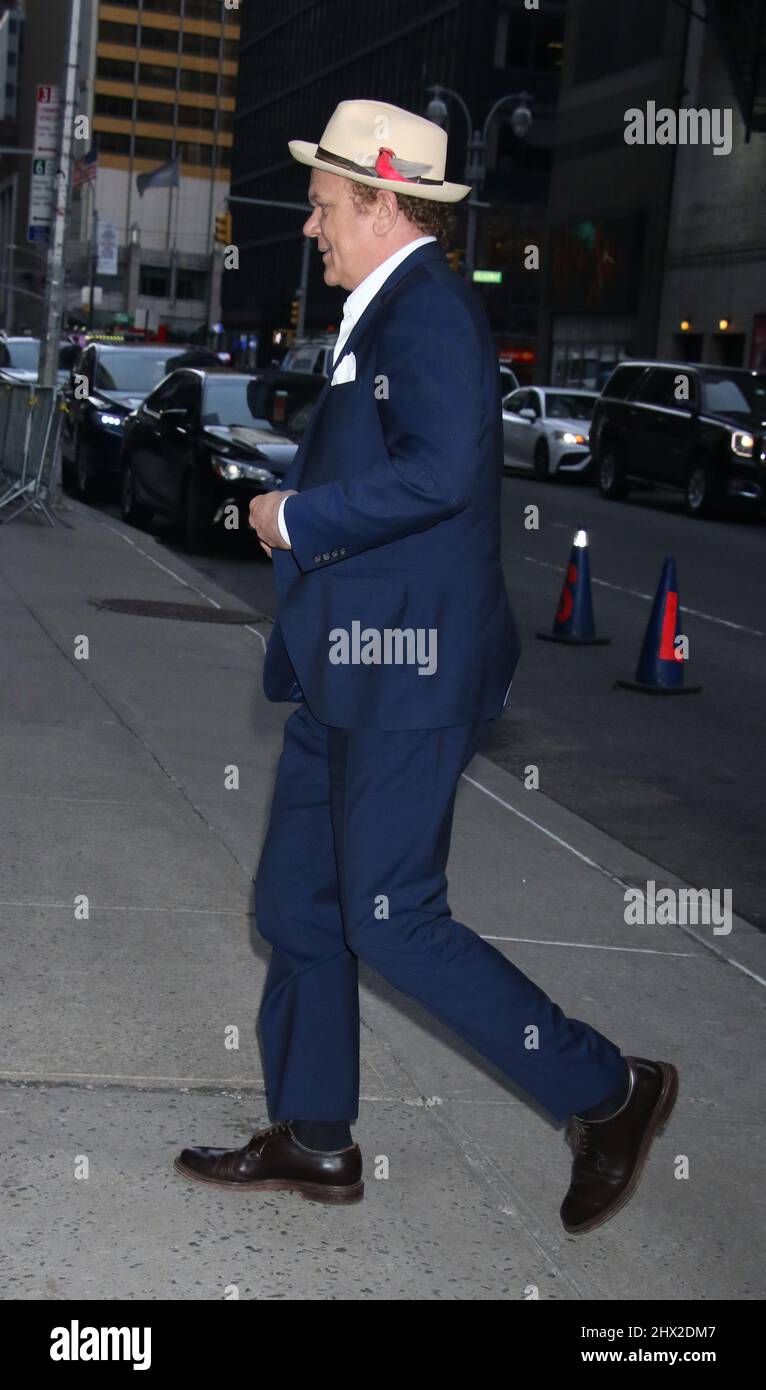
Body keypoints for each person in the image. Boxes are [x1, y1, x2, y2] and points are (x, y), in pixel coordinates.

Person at [174, 100, 678, 1234]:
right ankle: (314, 1138)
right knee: (297, 903)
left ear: (381, 202)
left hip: (409, 672)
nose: (308, 226)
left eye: (320, 206)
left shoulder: (432, 316)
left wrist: (296, 515)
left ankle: (609, 1090)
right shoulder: (383, 311)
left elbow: (444, 471)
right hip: (346, 670)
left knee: (391, 915)